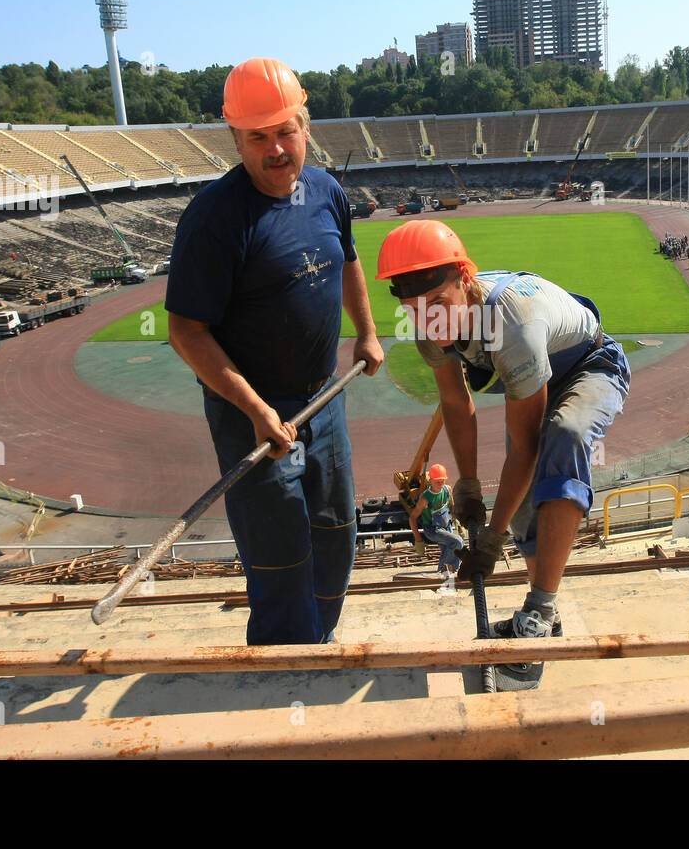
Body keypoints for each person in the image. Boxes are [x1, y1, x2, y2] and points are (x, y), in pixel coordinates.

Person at [165, 57, 384, 646]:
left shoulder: (327, 191)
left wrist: (365, 332)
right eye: (257, 136)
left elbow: (350, 263)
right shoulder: (215, 220)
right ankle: (287, 666)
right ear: (235, 139)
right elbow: (186, 331)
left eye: (286, 130)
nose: (276, 148)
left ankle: (320, 639)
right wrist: (257, 411)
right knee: (280, 550)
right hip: (252, 417)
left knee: (338, 532)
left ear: (305, 126)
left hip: (323, 398)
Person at [376, 219, 630, 687]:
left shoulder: (512, 324)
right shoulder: (430, 328)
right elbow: (455, 401)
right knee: (520, 513)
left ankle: (539, 610)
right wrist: (468, 484)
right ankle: (545, 621)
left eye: (437, 303)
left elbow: (528, 447)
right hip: (537, 379)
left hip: (589, 366)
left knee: (566, 435)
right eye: (414, 310)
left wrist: (489, 540)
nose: (431, 322)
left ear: (465, 279)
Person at [408, 463, 463, 576]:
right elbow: (412, 518)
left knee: (448, 550)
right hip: (433, 530)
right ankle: (445, 569)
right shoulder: (425, 498)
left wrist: (458, 521)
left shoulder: (447, 490)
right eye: (437, 481)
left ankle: (445, 572)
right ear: (430, 480)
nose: (440, 483)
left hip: (446, 527)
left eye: (442, 480)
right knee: (458, 542)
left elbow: (452, 506)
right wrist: (418, 540)